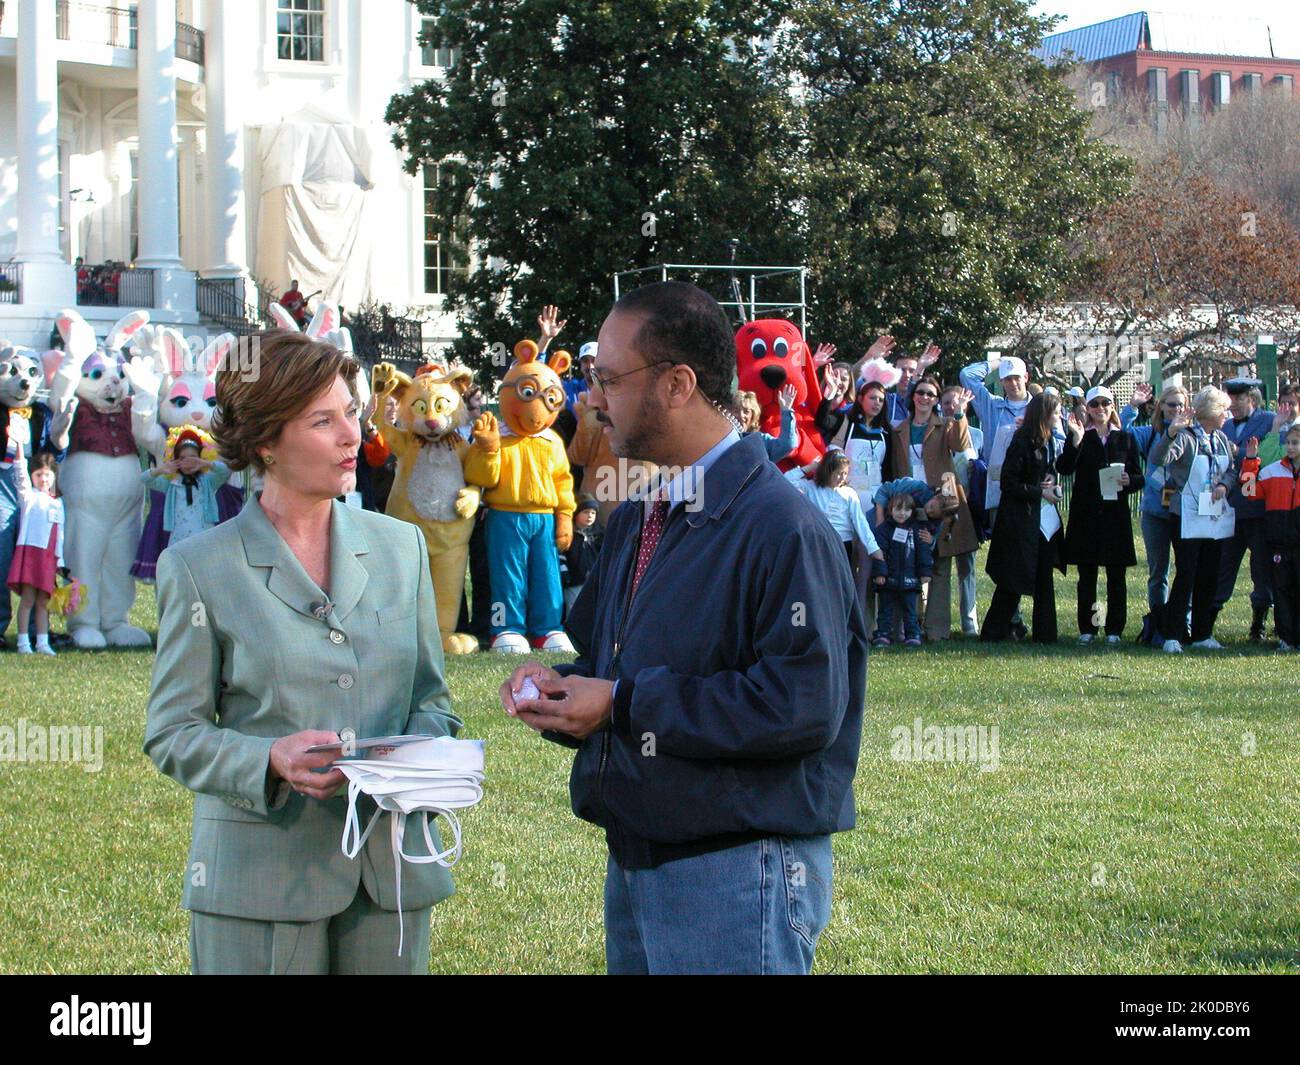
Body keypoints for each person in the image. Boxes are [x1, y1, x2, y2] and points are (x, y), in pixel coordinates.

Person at [498, 281, 867, 975]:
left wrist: (622, 703)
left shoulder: (783, 529)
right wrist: (560, 689)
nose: (591, 399)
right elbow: (623, 672)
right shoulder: (640, 514)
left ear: (677, 384)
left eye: (607, 379)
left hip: (737, 873)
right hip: (640, 855)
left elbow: (802, 705)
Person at [144, 330, 464, 974]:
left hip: (392, 881)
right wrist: (268, 759)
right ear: (266, 441)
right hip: (259, 889)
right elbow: (172, 732)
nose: (352, 435)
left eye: (352, 411)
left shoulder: (401, 548)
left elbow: (432, 702)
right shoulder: (199, 567)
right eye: (323, 421)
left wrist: (410, 760)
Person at [1148, 385, 1238, 652]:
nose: (1227, 415)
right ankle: (1173, 634)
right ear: (1212, 412)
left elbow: (1232, 470)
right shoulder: (1186, 437)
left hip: (1214, 516)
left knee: (1209, 574)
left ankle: (1202, 633)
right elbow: (1158, 458)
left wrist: (1225, 485)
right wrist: (1172, 432)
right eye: (1224, 410)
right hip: (1186, 515)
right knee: (1186, 574)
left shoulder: (1220, 438)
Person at [888, 375, 978, 641]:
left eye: (930, 394)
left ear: (936, 400)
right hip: (909, 503)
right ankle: (911, 626)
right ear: (913, 397)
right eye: (921, 393)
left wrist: (960, 414)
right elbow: (894, 468)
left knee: (940, 564)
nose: (924, 398)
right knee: (909, 562)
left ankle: (937, 630)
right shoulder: (899, 430)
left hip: (941, 502)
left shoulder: (946, 425)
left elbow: (961, 445)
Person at [1058, 386, 1144, 644]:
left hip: (1115, 516)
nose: (1100, 409)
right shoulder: (1082, 436)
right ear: (1088, 408)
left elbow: (1139, 476)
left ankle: (1114, 630)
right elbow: (1064, 468)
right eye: (1094, 404)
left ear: (1112, 405)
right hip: (1087, 515)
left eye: (1105, 403)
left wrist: (1130, 480)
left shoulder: (1125, 438)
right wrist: (1075, 440)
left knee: (1116, 576)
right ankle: (1090, 627)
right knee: (1088, 576)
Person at [980, 392, 1066, 644]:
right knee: (1012, 578)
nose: (1059, 416)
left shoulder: (1047, 440)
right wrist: (1041, 492)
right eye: (1056, 411)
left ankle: (1046, 635)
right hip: (1019, 520)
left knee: (1043, 575)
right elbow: (1009, 482)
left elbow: (1045, 470)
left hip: (1041, 520)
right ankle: (993, 632)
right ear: (1045, 413)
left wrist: (1050, 480)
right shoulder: (1021, 440)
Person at [1121, 382, 1190, 645]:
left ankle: (1184, 622)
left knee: (1187, 569)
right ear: (1161, 407)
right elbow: (1122, 434)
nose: (1177, 409)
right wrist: (1132, 407)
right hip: (1154, 512)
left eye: (1181, 405)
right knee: (1158, 570)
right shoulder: (1149, 434)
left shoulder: (1190, 434)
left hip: (1184, 512)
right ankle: (1159, 624)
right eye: (1172, 404)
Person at [1214, 378, 1277, 641]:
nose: (1233, 406)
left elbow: (1269, 455)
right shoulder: (1225, 425)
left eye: (1238, 400)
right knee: (1223, 566)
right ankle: (1206, 621)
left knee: (1261, 569)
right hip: (1231, 509)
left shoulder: (1270, 421)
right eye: (1230, 400)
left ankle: (1258, 624)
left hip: (1259, 510)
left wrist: (1240, 454)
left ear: (1252, 399)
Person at [1244, 424, 1300, 650]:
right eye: (1288, 442)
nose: (1290, 447)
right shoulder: (1272, 471)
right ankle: (1286, 638)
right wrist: (1250, 461)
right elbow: (1249, 493)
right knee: (1282, 589)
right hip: (1279, 543)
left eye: (1295, 443)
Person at [784, 449, 883, 575]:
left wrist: (873, 548)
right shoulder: (811, 487)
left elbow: (860, 522)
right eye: (838, 473)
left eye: (845, 473)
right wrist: (811, 467)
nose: (842, 477)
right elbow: (787, 479)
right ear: (827, 471)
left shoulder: (849, 493)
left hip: (842, 543)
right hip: (818, 542)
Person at [6, 442, 63, 655]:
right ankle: (23, 643)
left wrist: (62, 562)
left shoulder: (57, 503)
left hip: (48, 558)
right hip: (30, 554)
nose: (43, 479)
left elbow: (61, 535)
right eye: (39, 475)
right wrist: (19, 447)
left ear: (54, 476)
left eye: (47, 475)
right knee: (28, 599)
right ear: (33, 477)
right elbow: (20, 474)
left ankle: (42, 643)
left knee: (43, 601)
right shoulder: (28, 498)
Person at [139, 427, 231, 549]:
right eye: (182, 458)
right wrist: (160, 469)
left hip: (204, 539)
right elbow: (145, 479)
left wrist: (205, 464)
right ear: (176, 460)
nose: (188, 462)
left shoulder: (208, 481)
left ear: (200, 457)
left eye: (193, 457)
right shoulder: (172, 484)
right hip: (179, 540)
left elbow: (225, 471)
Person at [941, 384, 982, 635]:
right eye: (946, 402)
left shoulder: (977, 434)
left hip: (968, 506)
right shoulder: (936, 431)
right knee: (939, 567)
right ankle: (936, 622)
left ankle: (969, 623)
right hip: (943, 503)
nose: (951, 406)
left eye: (956, 402)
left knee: (967, 567)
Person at [871, 492, 933, 647]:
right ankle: (883, 634)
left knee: (910, 612)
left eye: (907, 510)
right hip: (888, 580)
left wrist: (925, 572)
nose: (902, 513)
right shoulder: (884, 530)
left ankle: (912, 635)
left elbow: (923, 553)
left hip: (910, 580)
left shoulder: (918, 530)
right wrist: (880, 573)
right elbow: (879, 553)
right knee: (885, 611)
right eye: (898, 509)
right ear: (890, 509)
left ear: (912, 511)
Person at [562, 494, 602, 615]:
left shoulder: (599, 535)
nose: (590, 516)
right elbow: (561, 555)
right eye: (585, 512)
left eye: (593, 513)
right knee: (573, 608)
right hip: (574, 581)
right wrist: (565, 574)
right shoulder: (568, 535)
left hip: (594, 581)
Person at [739, 385, 798, 462]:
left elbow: (787, 445)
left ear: (753, 416)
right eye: (736, 410)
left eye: (746, 411)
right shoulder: (721, 436)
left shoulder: (761, 441)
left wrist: (786, 410)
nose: (741, 415)